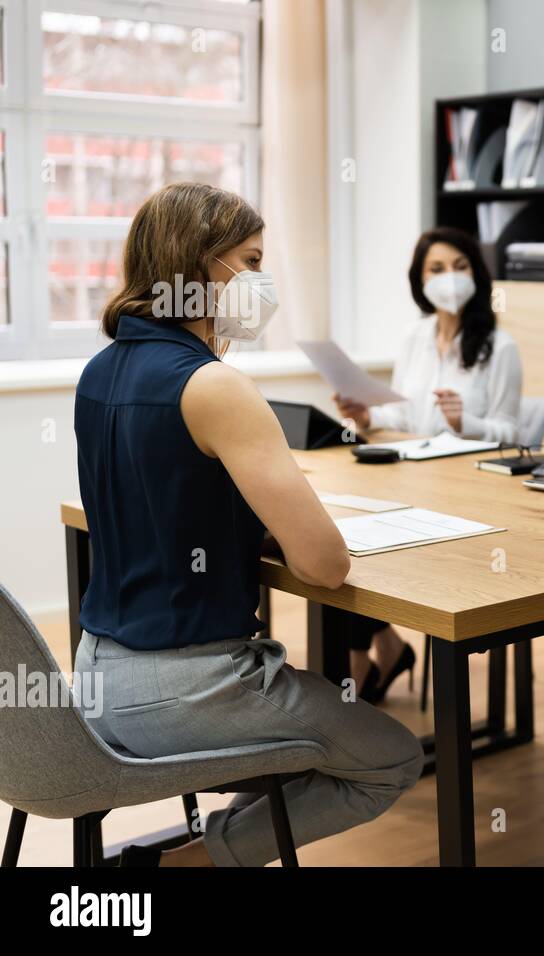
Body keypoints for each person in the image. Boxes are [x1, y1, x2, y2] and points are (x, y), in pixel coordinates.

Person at [73, 182, 424, 867]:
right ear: (199, 263)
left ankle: (215, 841)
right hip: (189, 690)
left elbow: (164, 497)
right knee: (391, 758)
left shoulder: (98, 371)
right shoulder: (215, 386)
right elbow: (326, 566)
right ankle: (190, 865)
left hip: (97, 675)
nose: (264, 283)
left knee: (306, 739)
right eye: (252, 262)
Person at [334, 227, 523, 702]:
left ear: (477, 275)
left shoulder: (500, 347)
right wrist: (368, 415)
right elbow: (404, 415)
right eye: (436, 269)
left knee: (366, 551)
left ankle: (362, 667)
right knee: (348, 548)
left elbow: (513, 434)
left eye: (459, 267)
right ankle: (385, 646)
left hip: (470, 497)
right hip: (411, 481)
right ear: (420, 281)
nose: (449, 278)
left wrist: (469, 421)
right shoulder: (414, 336)